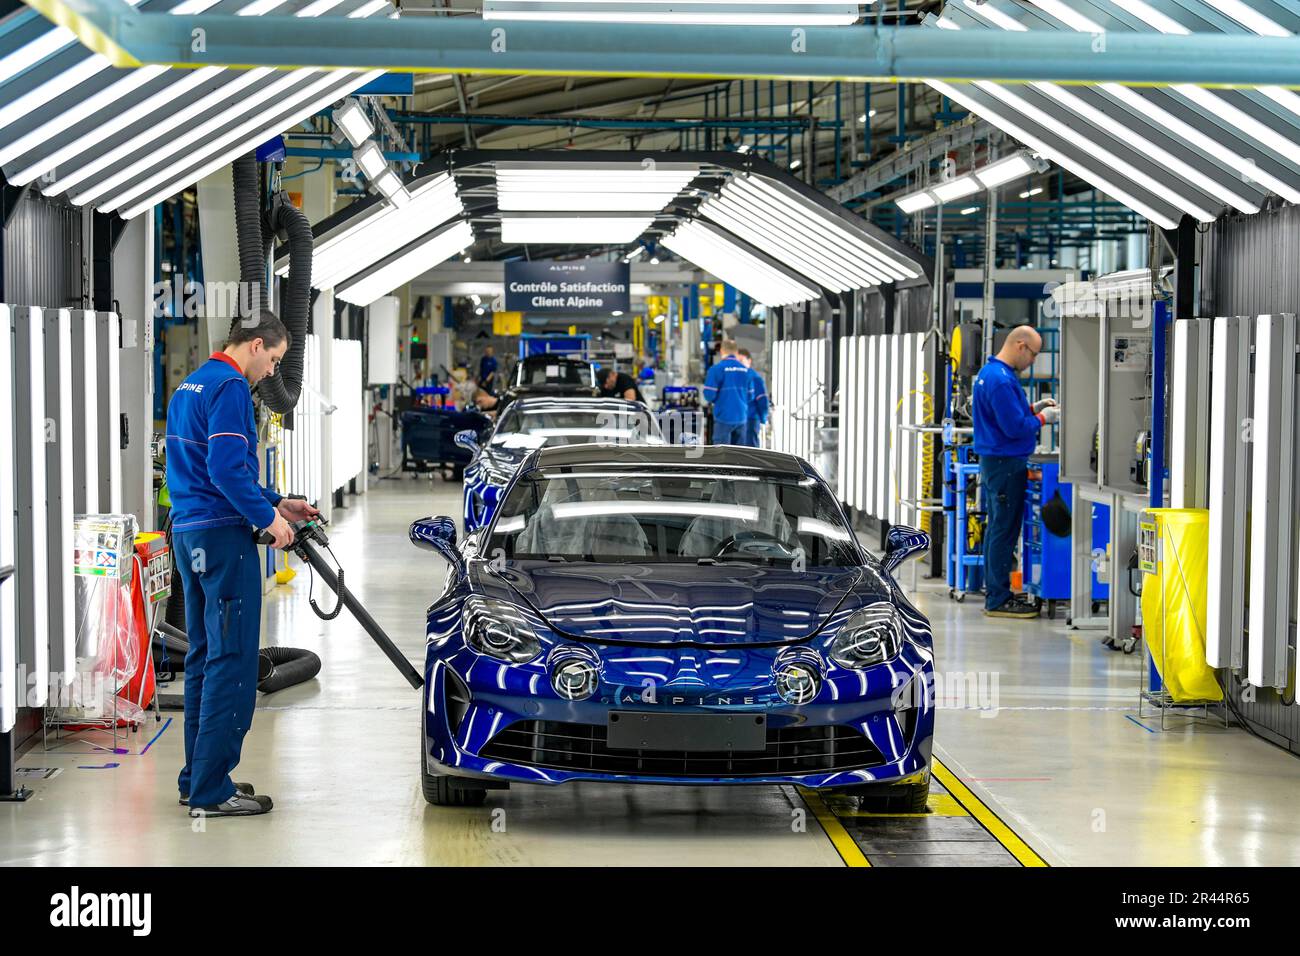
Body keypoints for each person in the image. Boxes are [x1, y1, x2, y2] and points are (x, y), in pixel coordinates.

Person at [165, 312, 317, 817]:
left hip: (189, 535)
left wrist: (280, 502)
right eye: (273, 360)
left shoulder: (190, 384)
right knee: (231, 661)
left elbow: (211, 471)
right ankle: (211, 791)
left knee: (204, 659)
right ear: (255, 346)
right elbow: (228, 469)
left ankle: (198, 777)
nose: (272, 373)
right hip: (223, 538)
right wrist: (268, 521)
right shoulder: (230, 386)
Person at [972, 325, 1060, 619]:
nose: (1033, 361)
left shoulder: (994, 374)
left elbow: (1008, 415)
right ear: (1020, 346)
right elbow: (1014, 427)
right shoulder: (999, 380)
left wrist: (1035, 406)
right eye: (1033, 354)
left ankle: (997, 594)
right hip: (1005, 463)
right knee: (1003, 531)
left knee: (1000, 528)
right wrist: (1042, 419)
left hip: (1000, 462)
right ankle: (997, 598)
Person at [702, 339, 753, 445]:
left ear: (721, 351)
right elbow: (751, 396)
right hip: (741, 418)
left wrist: (721, 400)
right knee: (739, 455)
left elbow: (709, 395)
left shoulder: (716, 369)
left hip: (723, 418)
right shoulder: (746, 371)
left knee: (721, 455)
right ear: (736, 352)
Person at [736, 348, 769, 448]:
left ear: (749, 361)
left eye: (741, 361)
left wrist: (763, 419)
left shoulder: (754, 377)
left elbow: (762, 400)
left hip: (750, 420)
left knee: (749, 451)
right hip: (738, 420)